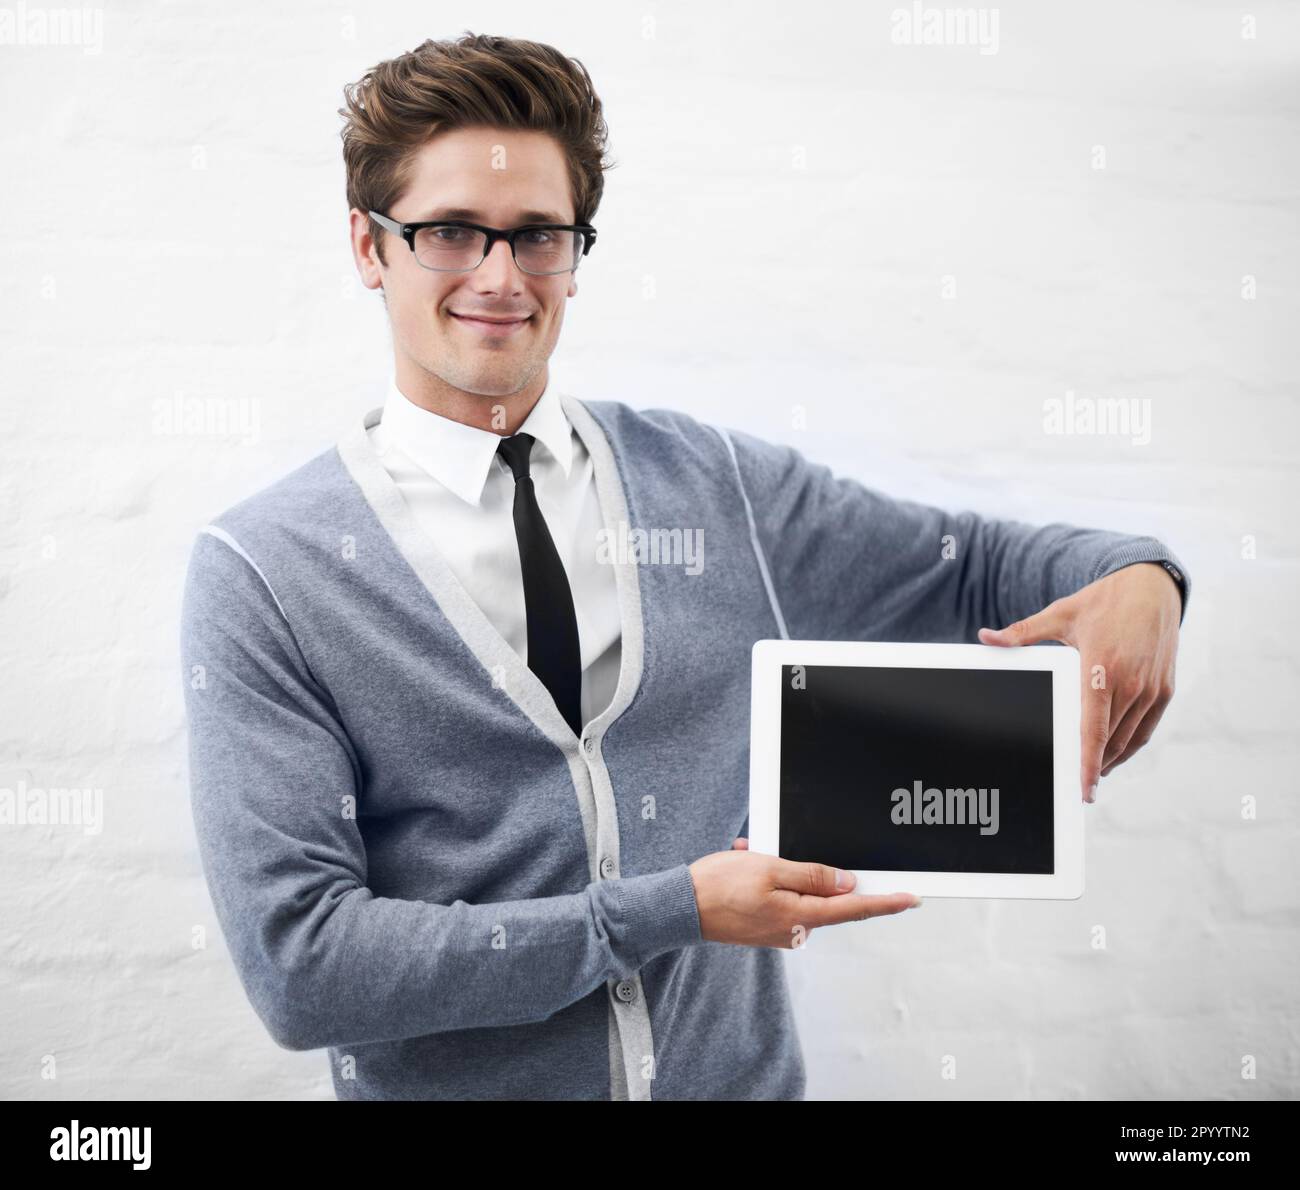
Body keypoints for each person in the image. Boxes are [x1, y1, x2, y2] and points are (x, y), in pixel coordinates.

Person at [179, 32, 1188, 1101]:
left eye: (538, 236)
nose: (498, 275)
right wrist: (669, 911)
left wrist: (1142, 576)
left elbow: (977, 561)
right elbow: (303, 967)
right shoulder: (266, 570)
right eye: (448, 232)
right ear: (367, 245)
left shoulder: (709, 484)